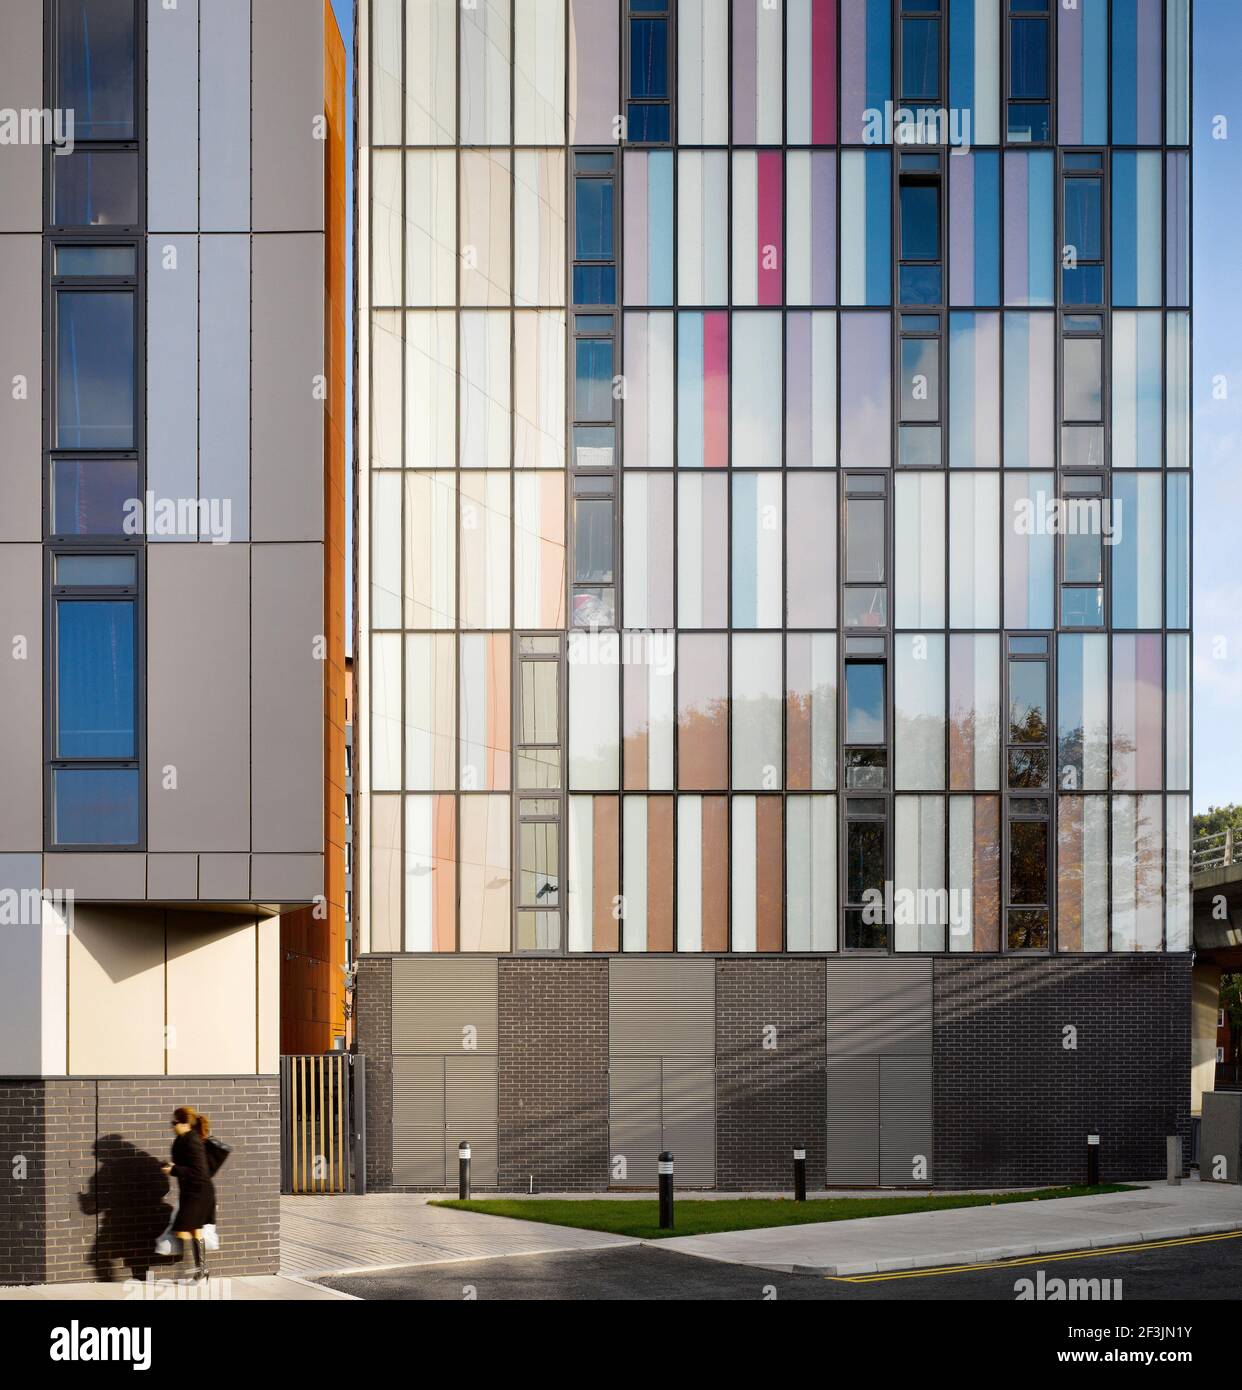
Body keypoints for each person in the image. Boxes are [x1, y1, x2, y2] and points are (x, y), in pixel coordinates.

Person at [161, 1107, 216, 1281]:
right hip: (192, 1192)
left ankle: (200, 1271)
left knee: (186, 1230)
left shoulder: (192, 1140)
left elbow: (199, 1171)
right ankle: (201, 1271)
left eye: (174, 1123)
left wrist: (174, 1169)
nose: (172, 1126)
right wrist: (173, 1167)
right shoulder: (182, 1139)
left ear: (184, 1123)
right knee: (193, 1231)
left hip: (199, 1192)